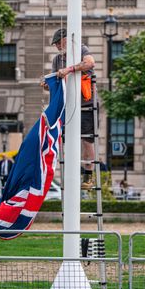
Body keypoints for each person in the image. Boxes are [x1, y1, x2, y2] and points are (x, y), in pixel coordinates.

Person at [43, 28, 96, 190]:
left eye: (60, 42)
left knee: (87, 140)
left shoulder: (81, 49)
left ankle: (88, 175)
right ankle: (67, 172)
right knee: (63, 138)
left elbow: (90, 62)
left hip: (85, 103)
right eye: (56, 44)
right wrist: (47, 85)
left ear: (67, 39)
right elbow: (54, 81)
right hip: (66, 104)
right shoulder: (57, 60)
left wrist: (69, 69)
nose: (58, 46)